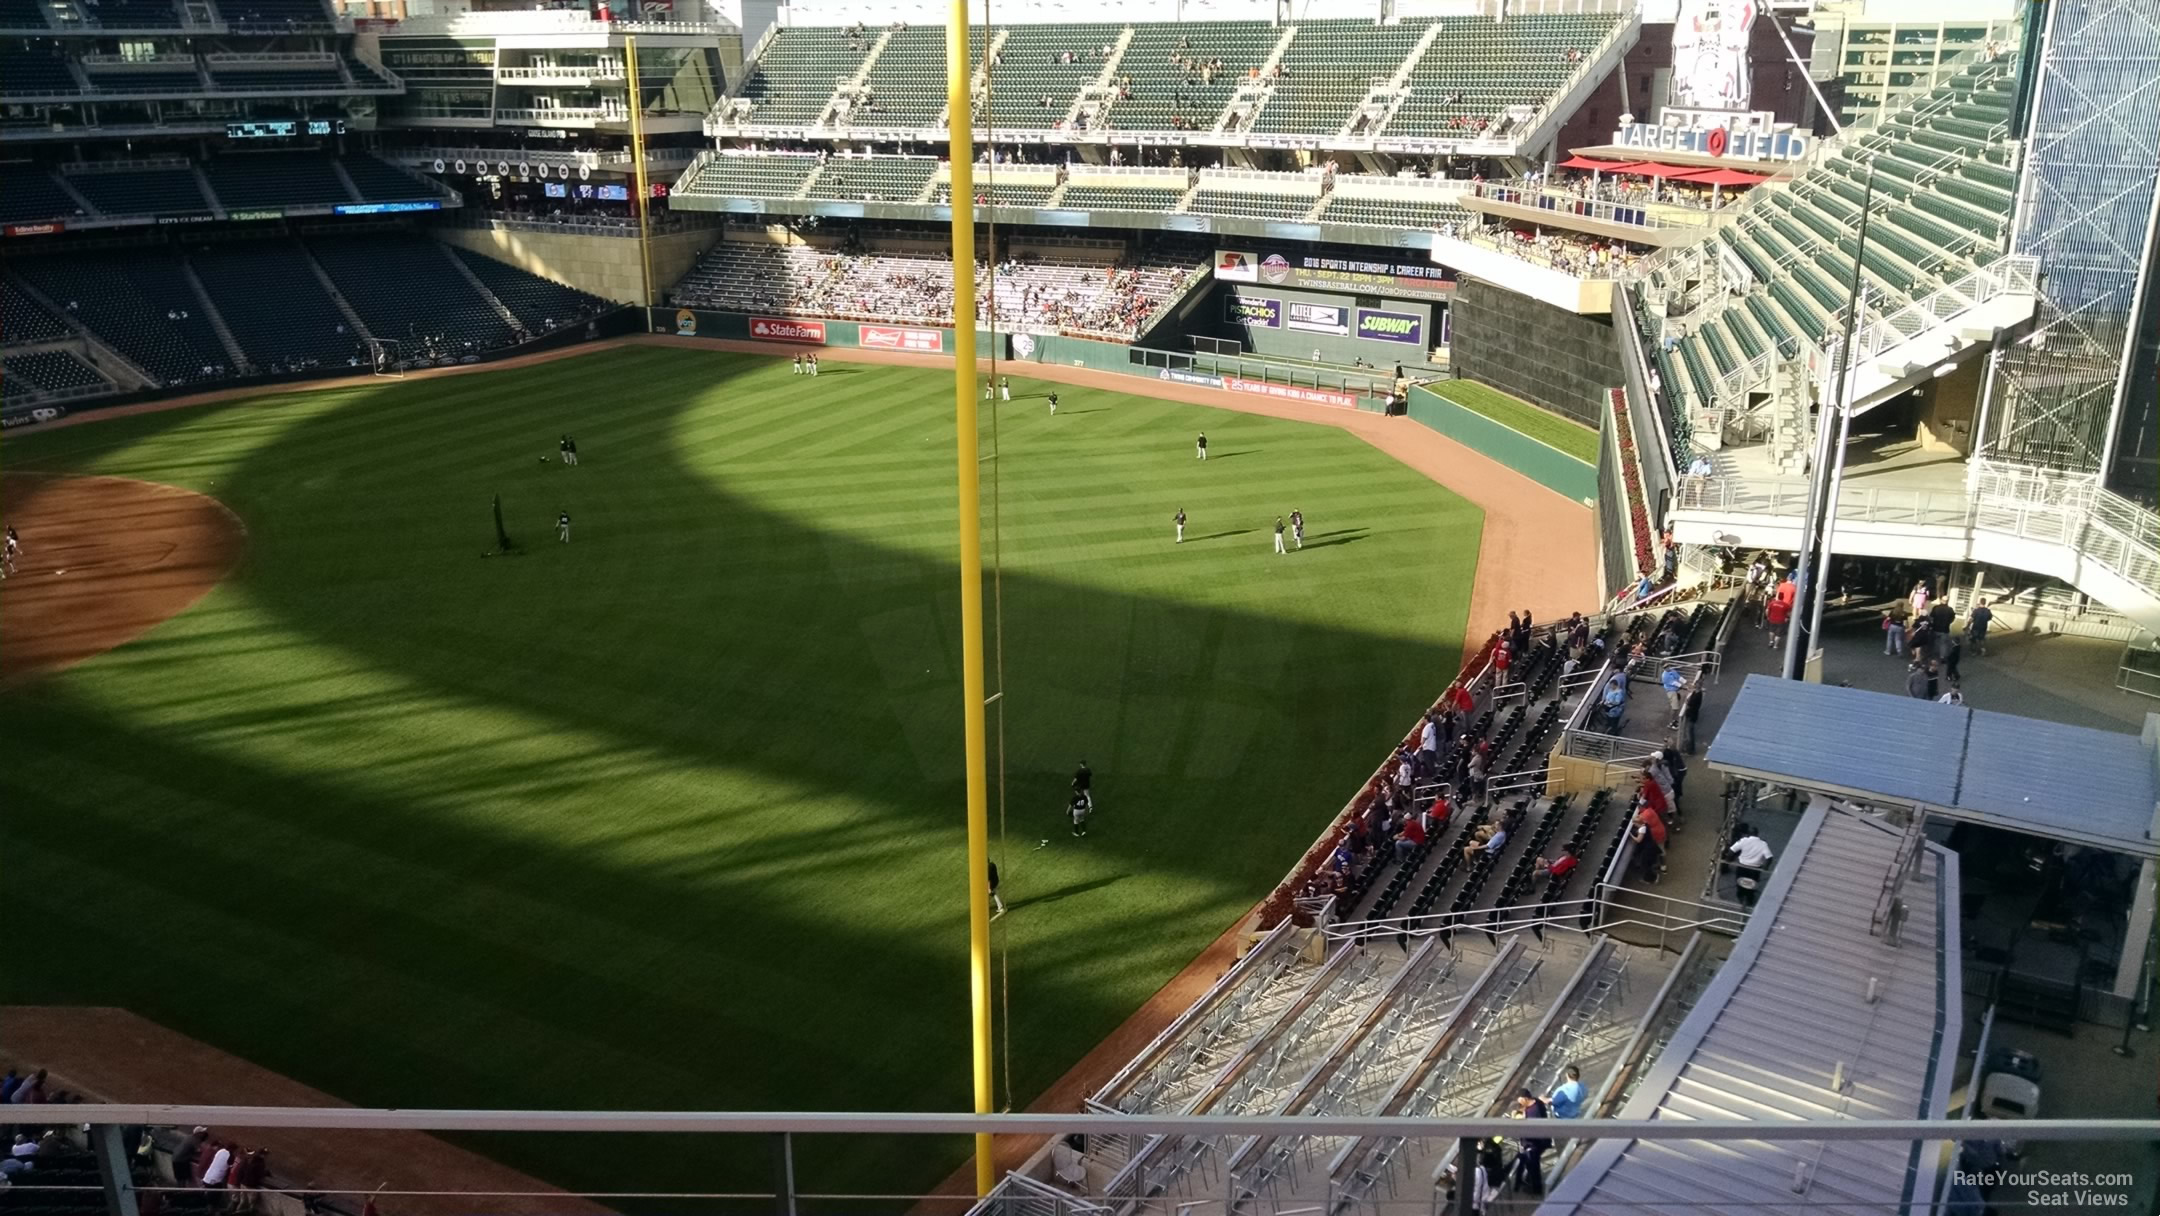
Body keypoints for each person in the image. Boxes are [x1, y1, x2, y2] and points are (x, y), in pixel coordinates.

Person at [1511, 1089, 1551, 1195]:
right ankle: (1530, 1181)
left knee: (1533, 1166)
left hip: (1534, 1144)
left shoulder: (1533, 1113)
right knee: (1531, 1165)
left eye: (1520, 1100)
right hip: (1541, 1141)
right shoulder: (1537, 1103)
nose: (1519, 1103)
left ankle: (1536, 1189)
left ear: (1525, 1099)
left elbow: (1530, 1132)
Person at [1728, 824, 1772, 907]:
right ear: (1757, 834)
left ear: (1748, 834)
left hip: (1742, 867)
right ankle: (1749, 898)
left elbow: (1731, 851)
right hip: (1755, 869)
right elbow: (1769, 857)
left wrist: (1727, 860)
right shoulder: (1763, 844)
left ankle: (1741, 896)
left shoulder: (1744, 841)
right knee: (1752, 884)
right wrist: (1766, 867)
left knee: (1740, 882)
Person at [1765, 573, 1794, 647]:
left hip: (1772, 618)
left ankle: (1771, 641)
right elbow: (1794, 600)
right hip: (1783, 616)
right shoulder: (1794, 588)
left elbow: (1768, 610)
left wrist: (1767, 616)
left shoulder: (1781, 586)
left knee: (1771, 630)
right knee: (1779, 633)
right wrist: (1788, 618)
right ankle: (1775, 645)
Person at [1681, 682, 1704, 754]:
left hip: (1692, 716)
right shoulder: (1697, 693)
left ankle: (1690, 750)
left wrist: (1687, 701)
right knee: (1689, 732)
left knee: (1689, 733)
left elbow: (1689, 703)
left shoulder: (1697, 695)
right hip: (1692, 715)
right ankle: (1689, 748)